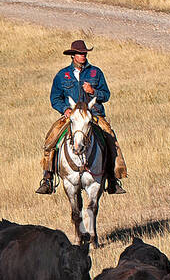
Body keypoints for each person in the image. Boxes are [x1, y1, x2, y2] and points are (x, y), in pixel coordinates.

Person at [36, 40, 127, 195]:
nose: (83, 55)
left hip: (94, 114)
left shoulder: (96, 72)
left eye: (84, 53)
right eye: (79, 53)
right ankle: (47, 178)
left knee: (111, 139)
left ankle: (113, 179)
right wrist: (65, 109)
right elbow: (55, 98)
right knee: (51, 139)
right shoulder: (62, 75)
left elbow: (106, 95)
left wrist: (93, 91)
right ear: (73, 56)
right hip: (71, 117)